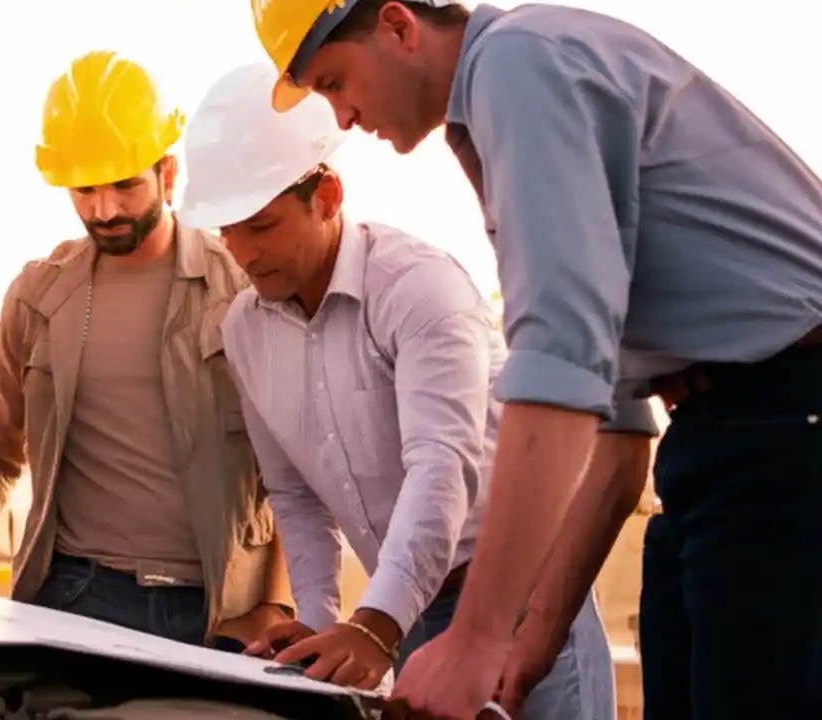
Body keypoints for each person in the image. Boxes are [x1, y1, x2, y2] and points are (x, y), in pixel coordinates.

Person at [249, 1, 822, 718]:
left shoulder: (519, 65)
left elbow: (560, 373)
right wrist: (531, 641)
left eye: (335, 82)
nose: (341, 118)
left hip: (788, 424)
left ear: (397, 26)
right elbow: (619, 439)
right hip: (721, 437)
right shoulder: (503, 102)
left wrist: (476, 637)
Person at [180, 61, 613, 718]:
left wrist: (376, 625)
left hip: (524, 603)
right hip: (410, 614)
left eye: (261, 226)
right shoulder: (245, 328)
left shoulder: (419, 289)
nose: (243, 252)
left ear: (327, 196)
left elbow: (441, 467)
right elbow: (294, 495)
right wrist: (320, 619)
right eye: (227, 231)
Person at [0, 50, 294, 647]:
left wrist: (275, 604)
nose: (105, 209)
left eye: (125, 184)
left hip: (222, 609)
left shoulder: (244, 288)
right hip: (74, 596)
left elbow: (302, 463)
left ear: (168, 172)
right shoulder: (37, 297)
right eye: (85, 189)